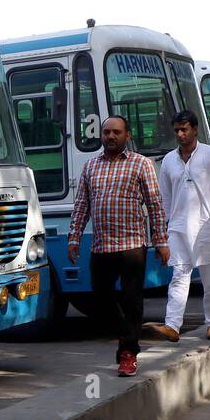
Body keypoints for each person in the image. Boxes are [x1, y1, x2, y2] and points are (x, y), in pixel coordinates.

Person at [67, 115, 168, 377]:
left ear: (127, 135)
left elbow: (155, 205)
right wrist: (74, 237)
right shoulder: (90, 167)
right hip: (101, 246)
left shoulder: (141, 164)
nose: (110, 137)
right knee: (100, 298)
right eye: (106, 132)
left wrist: (160, 241)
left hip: (132, 245)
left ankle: (128, 355)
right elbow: (81, 206)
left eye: (116, 132)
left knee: (132, 300)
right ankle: (128, 337)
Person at [157, 111, 210, 342]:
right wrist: (163, 230)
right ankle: (172, 325)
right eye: (176, 130)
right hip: (178, 227)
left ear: (195, 130)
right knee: (179, 275)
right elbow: (164, 197)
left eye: (184, 129)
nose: (180, 134)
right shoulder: (168, 160)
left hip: (208, 226)